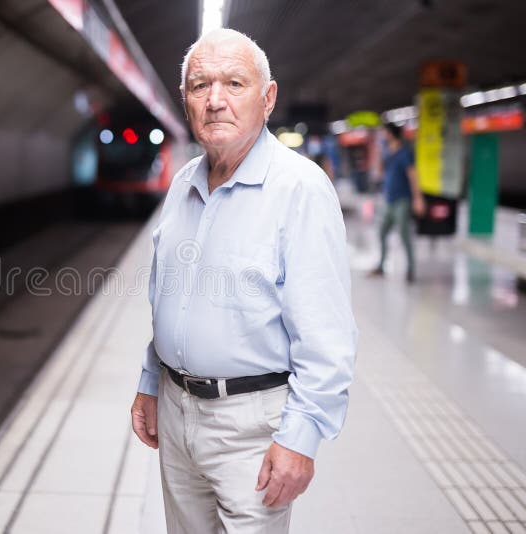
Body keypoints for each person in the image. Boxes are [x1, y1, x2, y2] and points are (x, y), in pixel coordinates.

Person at [130, 29, 358, 534]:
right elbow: (167, 296)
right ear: (184, 98)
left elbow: (327, 335)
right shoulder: (183, 183)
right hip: (176, 413)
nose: (215, 100)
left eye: (234, 83)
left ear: (268, 97)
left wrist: (300, 437)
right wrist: (152, 382)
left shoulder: (298, 188)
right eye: (199, 85)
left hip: (252, 428)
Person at [368, 123, 425, 283]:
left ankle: (410, 270)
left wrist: (417, 198)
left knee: (404, 236)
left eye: (384, 132)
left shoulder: (405, 153)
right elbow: (379, 174)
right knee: (382, 232)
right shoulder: (386, 152)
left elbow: (412, 175)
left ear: (391, 134)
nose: (382, 136)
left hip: (402, 200)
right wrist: (377, 155)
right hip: (389, 200)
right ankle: (381, 266)